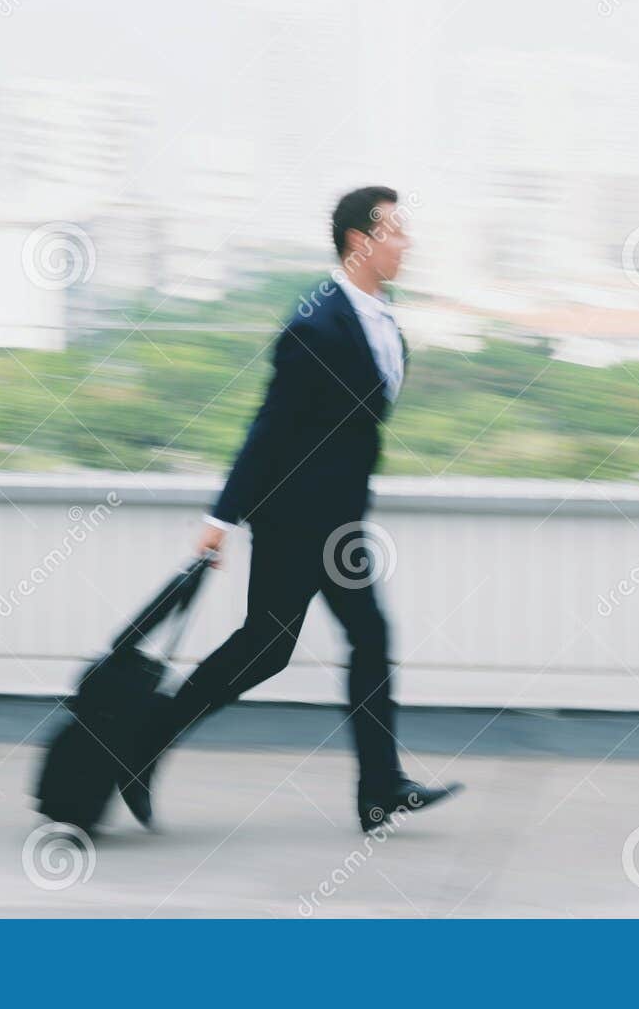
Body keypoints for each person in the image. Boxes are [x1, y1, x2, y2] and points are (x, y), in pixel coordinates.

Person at [123, 186, 462, 833]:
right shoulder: (316, 324)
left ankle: (379, 788)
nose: (407, 242)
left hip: (340, 520)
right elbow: (270, 427)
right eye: (395, 231)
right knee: (269, 647)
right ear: (360, 242)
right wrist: (220, 522)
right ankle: (142, 745)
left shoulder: (381, 318)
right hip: (294, 519)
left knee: (344, 639)